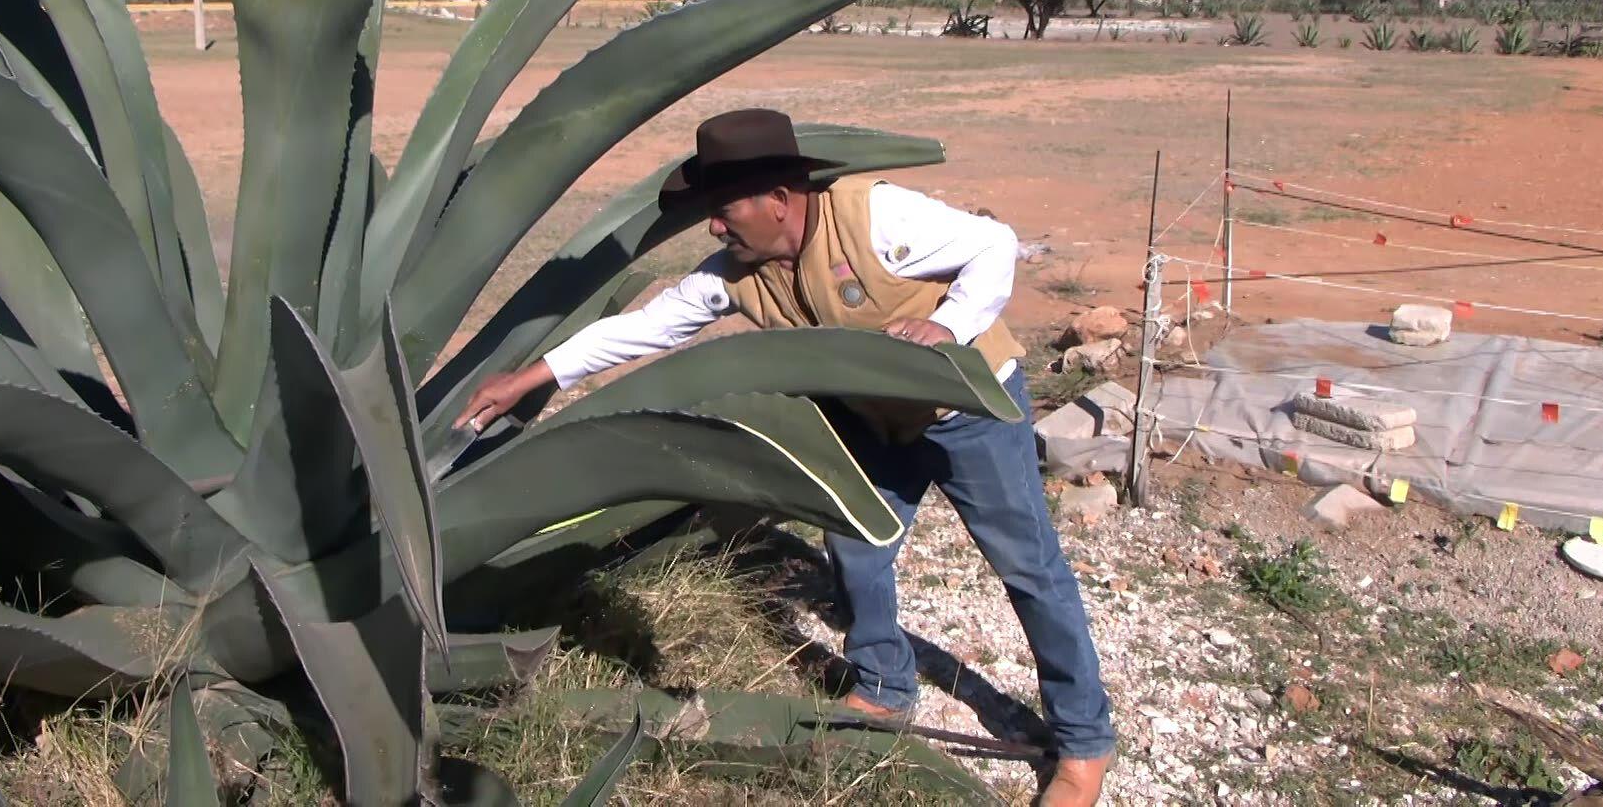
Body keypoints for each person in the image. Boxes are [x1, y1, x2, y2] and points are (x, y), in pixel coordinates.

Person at [456, 108, 1115, 805]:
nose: (715, 226)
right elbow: (645, 328)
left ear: (780, 198)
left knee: (1027, 567)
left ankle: (1082, 743)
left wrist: (947, 324)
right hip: (870, 420)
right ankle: (884, 688)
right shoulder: (736, 275)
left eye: (724, 208)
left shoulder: (876, 218)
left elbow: (994, 244)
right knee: (857, 547)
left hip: (966, 413)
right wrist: (531, 378)